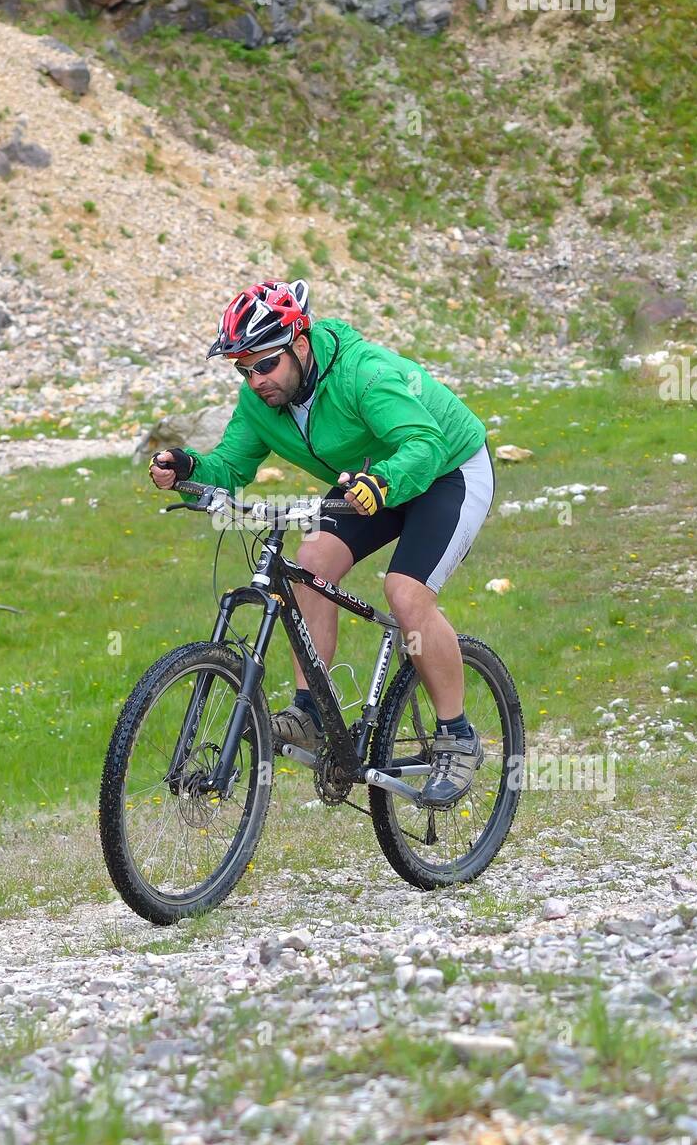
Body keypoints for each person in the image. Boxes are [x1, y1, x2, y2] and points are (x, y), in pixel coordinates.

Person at [149, 279, 496, 804]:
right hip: (370, 482)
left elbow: (424, 442)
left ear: (300, 343)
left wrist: (383, 484)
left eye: (265, 365)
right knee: (310, 562)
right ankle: (311, 712)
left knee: (406, 594)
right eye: (243, 370)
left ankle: (457, 736)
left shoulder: (363, 374)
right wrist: (191, 468)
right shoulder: (260, 401)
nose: (256, 380)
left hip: (448, 467)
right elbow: (231, 467)